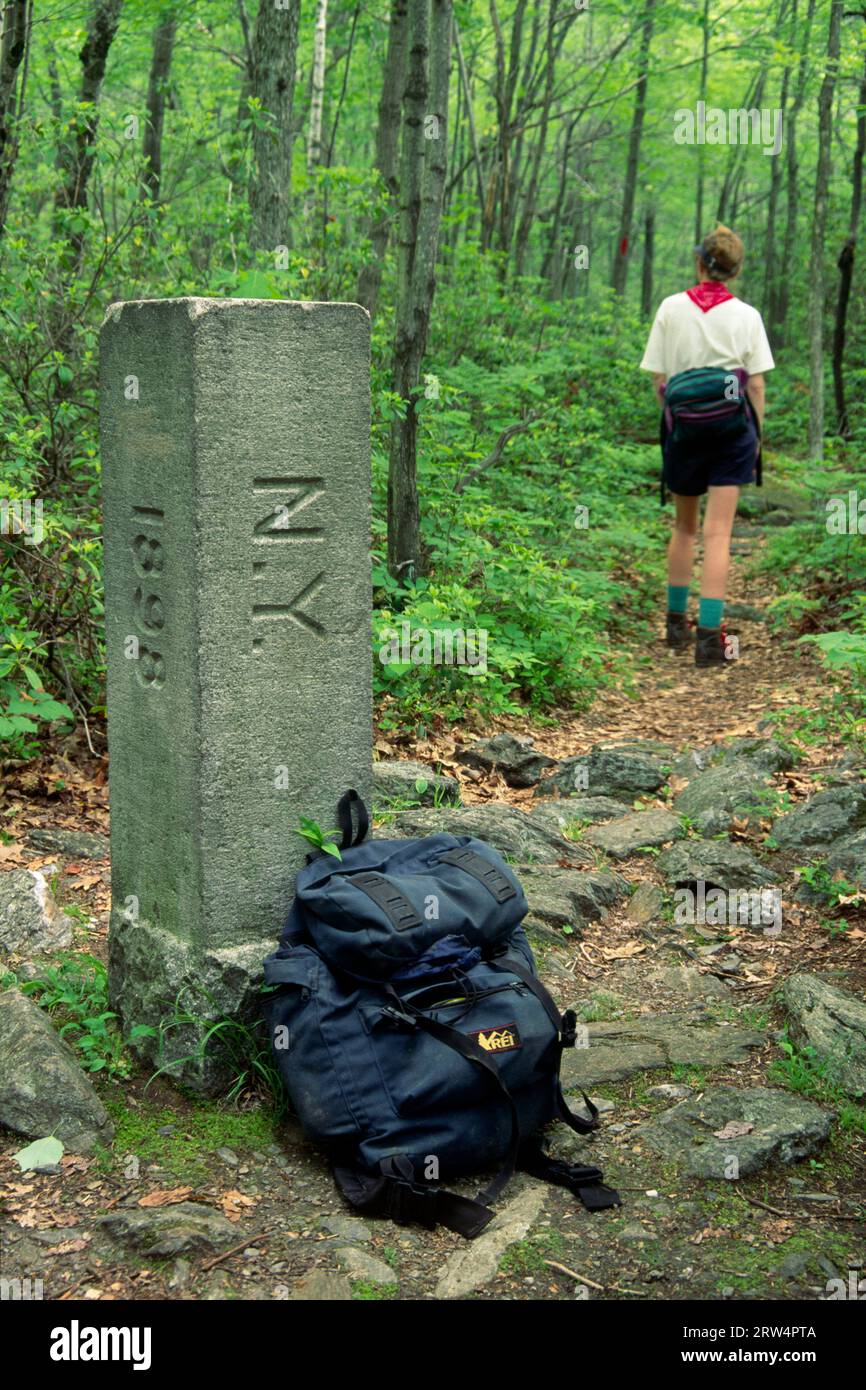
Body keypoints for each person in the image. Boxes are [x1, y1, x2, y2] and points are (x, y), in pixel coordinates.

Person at [640, 224, 775, 667]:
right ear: (733, 272)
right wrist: (757, 438)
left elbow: (660, 382)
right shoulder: (747, 316)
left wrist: (679, 419)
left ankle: (675, 626)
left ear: (700, 262)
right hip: (733, 432)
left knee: (684, 528)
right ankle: (710, 642)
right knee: (719, 533)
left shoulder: (670, 308)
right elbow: (754, 385)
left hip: (684, 431)